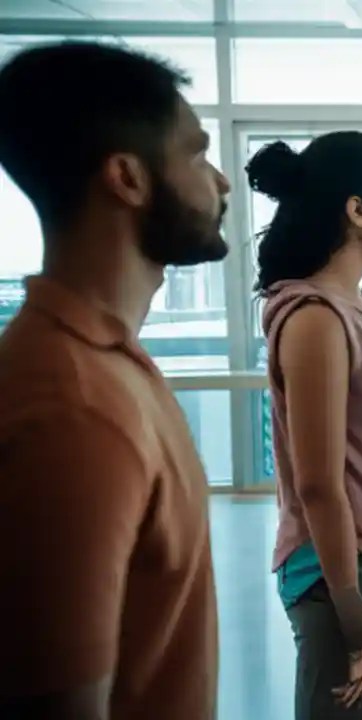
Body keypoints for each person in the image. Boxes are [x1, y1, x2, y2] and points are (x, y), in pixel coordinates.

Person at [0, 41, 228, 718]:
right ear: (127, 178)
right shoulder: (72, 405)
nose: (217, 183)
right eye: (195, 153)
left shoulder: (106, 360)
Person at [249, 132, 362, 720]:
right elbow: (318, 485)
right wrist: (353, 620)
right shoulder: (316, 318)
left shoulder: (358, 304)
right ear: (356, 210)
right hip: (341, 576)